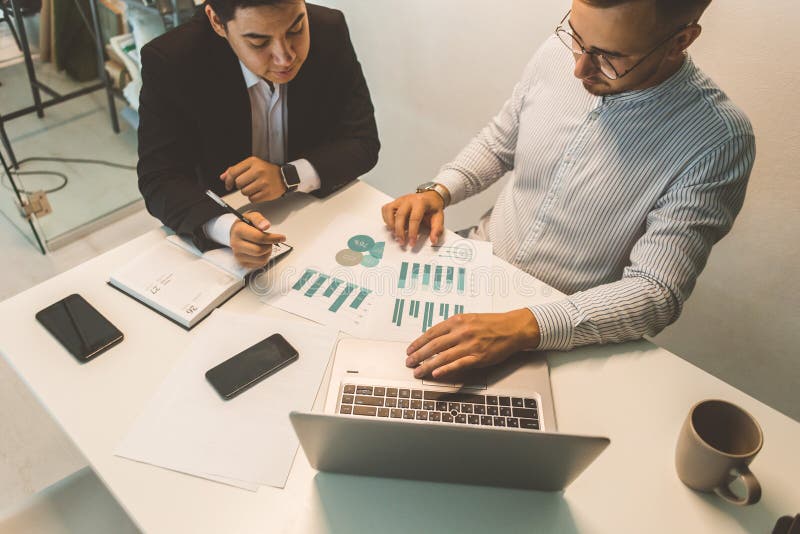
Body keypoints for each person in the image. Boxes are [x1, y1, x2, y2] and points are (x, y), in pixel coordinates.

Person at [384, 0, 754, 379]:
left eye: (610, 56)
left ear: (681, 40)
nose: (579, 68)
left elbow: (655, 292)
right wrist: (439, 190)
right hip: (473, 264)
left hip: (556, 328)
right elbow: (501, 142)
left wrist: (524, 326)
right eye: (577, 39)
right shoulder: (559, 53)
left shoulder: (718, 140)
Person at [138, 0, 379, 268]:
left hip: (316, 215)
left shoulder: (328, 28)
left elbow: (362, 140)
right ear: (217, 22)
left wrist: (287, 176)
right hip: (222, 221)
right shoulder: (172, 60)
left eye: (295, 29)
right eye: (258, 42)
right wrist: (225, 227)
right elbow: (159, 178)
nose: (285, 57)